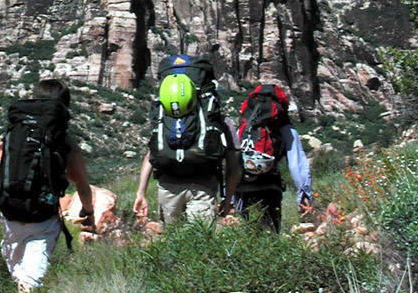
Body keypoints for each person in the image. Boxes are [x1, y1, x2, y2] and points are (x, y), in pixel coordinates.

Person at [0, 79, 94, 293]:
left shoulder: (14, 133)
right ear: (65, 107)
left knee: (19, 271)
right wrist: (88, 211)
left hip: (10, 212)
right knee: (30, 279)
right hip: (42, 218)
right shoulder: (65, 142)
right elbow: (83, 186)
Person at [133, 63, 241, 225]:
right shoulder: (219, 121)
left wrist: (141, 193)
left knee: (172, 240)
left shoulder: (165, 118)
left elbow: (151, 155)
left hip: (168, 186)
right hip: (203, 187)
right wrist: (228, 199)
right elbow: (234, 167)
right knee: (200, 243)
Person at [233, 81, 313, 232]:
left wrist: (228, 197)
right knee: (271, 231)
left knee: (244, 233)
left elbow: (233, 160)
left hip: (244, 186)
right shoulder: (285, 128)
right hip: (271, 185)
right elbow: (297, 162)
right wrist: (303, 192)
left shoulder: (245, 126)